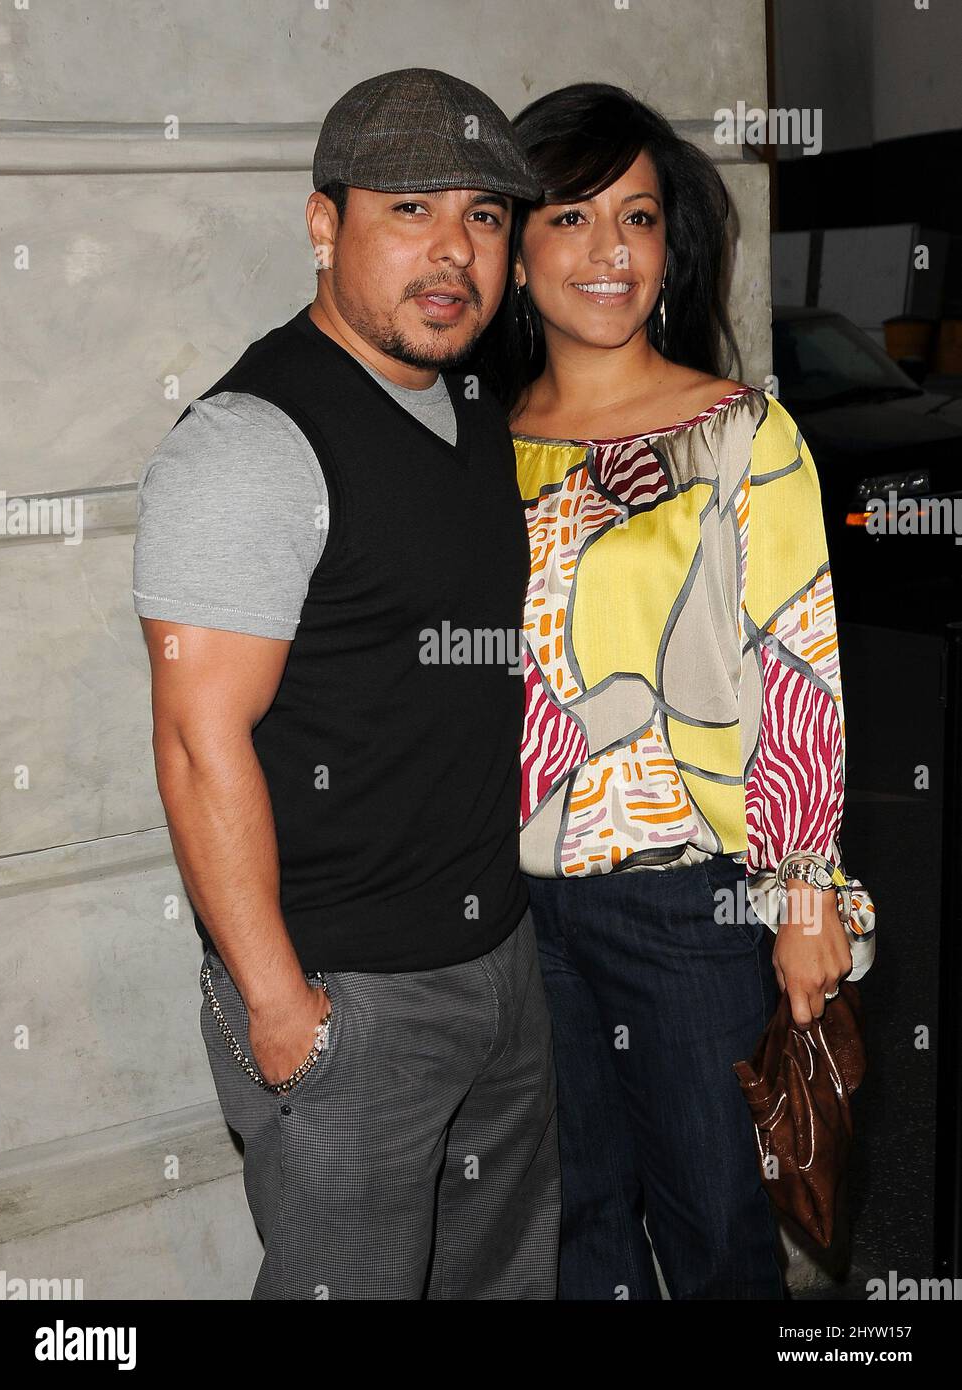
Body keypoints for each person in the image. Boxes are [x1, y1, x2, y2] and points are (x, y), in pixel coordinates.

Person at [132, 68, 560, 1300]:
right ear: (323, 226)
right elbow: (196, 742)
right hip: (350, 1000)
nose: (453, 254)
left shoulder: (468, 396)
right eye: (408, 211)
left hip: (498, 966)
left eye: (482, 218)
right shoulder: (249, 443)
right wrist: (281, 1007)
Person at [473, 82, 875, 1300]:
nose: (608, 252)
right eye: (570, 217)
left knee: (715, 1228)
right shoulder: (473, 438)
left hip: (687, 908)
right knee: (575, 1223)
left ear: (669, 244)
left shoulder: (736, 432)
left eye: (637, 219)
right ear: (516, 244)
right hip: (514, 912)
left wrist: (805, 892)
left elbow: (795, 663)